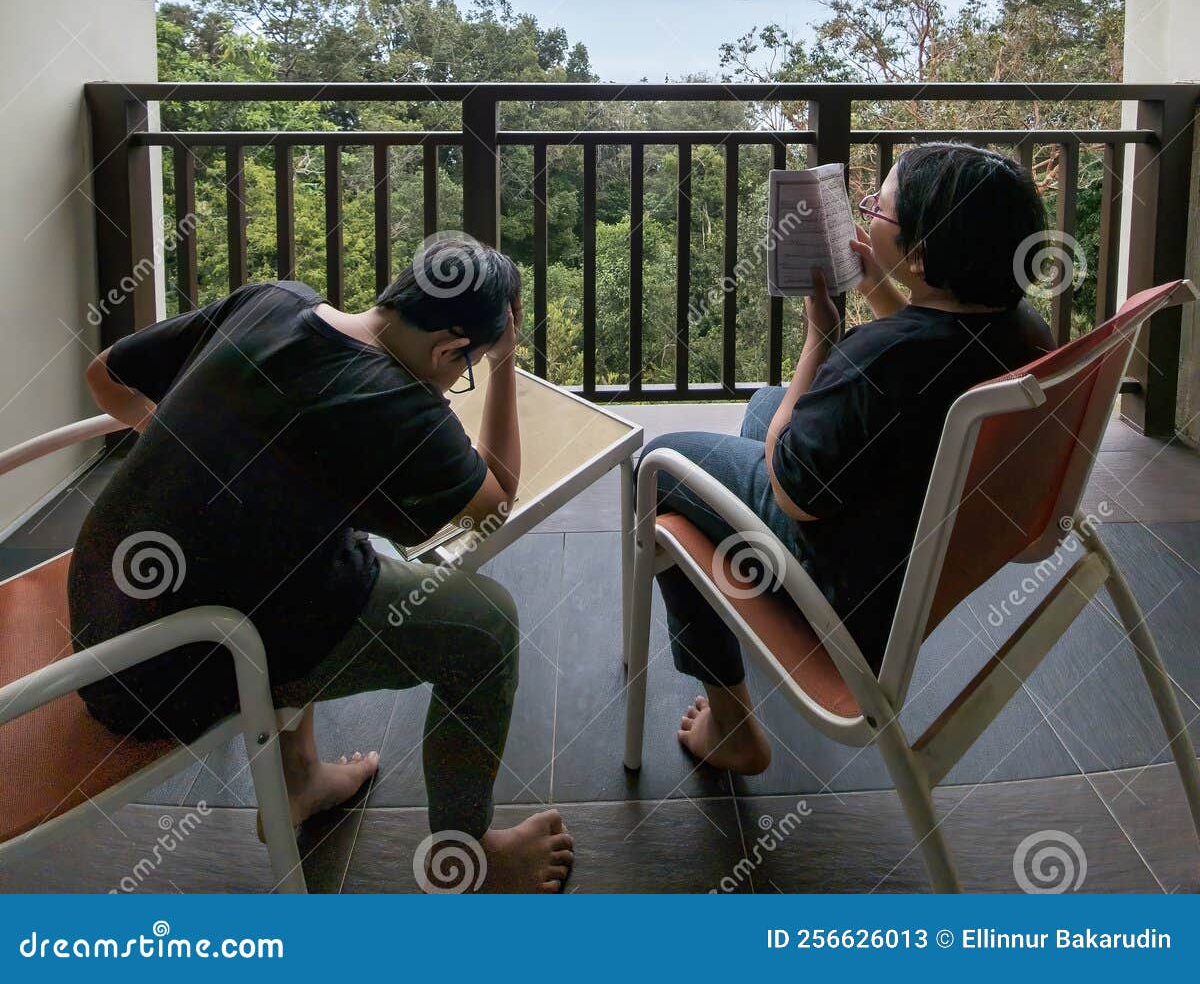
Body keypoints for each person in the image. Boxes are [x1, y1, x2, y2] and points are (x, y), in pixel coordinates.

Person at [69, 235, 573, 893]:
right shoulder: (401, 411)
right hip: (168, 673)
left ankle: (300, 778)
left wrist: (205, 459)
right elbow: (493, 502)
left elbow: (105, 373)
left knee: (322, 541)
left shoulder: (274, 302)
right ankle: (470, 856)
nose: (460, 378)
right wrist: (506, 363)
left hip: (97, 614)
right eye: (467, 365)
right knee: (487, 627)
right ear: (451, 349)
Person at [643, 143, 1053, 775]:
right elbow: (931, 358)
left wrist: (821, 338)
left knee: (662, 464)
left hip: (848, 583)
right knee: (770, 402)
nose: (866, 215)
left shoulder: (876, 361)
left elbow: (790, 494)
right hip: (921, 533)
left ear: (920, 253)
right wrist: (880, 289)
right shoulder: (1023, 331)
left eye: (878, 210)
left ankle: (732, 728)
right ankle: (736, 566)